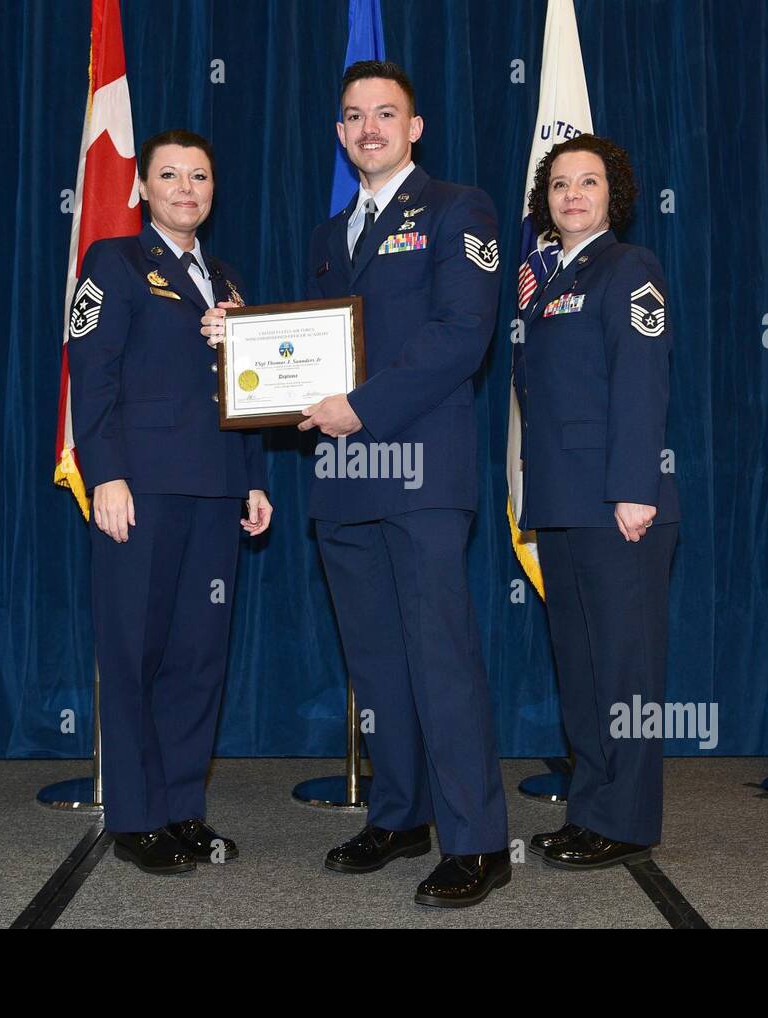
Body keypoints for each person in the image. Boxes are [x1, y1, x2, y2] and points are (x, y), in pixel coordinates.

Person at [206, 60, 509, 908]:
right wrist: (242, 350)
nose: (368, 127)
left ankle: (479, 840)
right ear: (340, 135)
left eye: (386, 113)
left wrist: (359, 409)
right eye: (353, 116)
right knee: (375, 666)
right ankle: (401, 813)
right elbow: (305, 356)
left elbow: (462, 336)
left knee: (440, 660)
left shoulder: (460, 210)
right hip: (341, 482)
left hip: (418, 474)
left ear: (415, 128)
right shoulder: (327, 236)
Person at [68, 129, 271, 875]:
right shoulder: (115, 263)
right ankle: (135, 816)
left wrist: (253, 477)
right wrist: (106, 474)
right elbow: (92, 374)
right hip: (142, 491)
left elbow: (250, 394)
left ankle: (184, 809)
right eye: (170, 175)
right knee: (134, 653)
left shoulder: (227, 278)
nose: (187, 188)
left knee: (198, 660)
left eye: (201, 176)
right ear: (144, 189)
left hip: (216, 491)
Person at [513, 134, 679, 869]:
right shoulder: (545, 280)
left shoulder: (628, 268)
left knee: (624, 669)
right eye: (559, 185)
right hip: (562, 501)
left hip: (619, 506)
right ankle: (591, 809)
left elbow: (642, 384)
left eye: (588, 182)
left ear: (616, 194)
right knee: (579, 669)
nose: (573, 195)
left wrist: (634, 491)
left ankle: (629, 818)